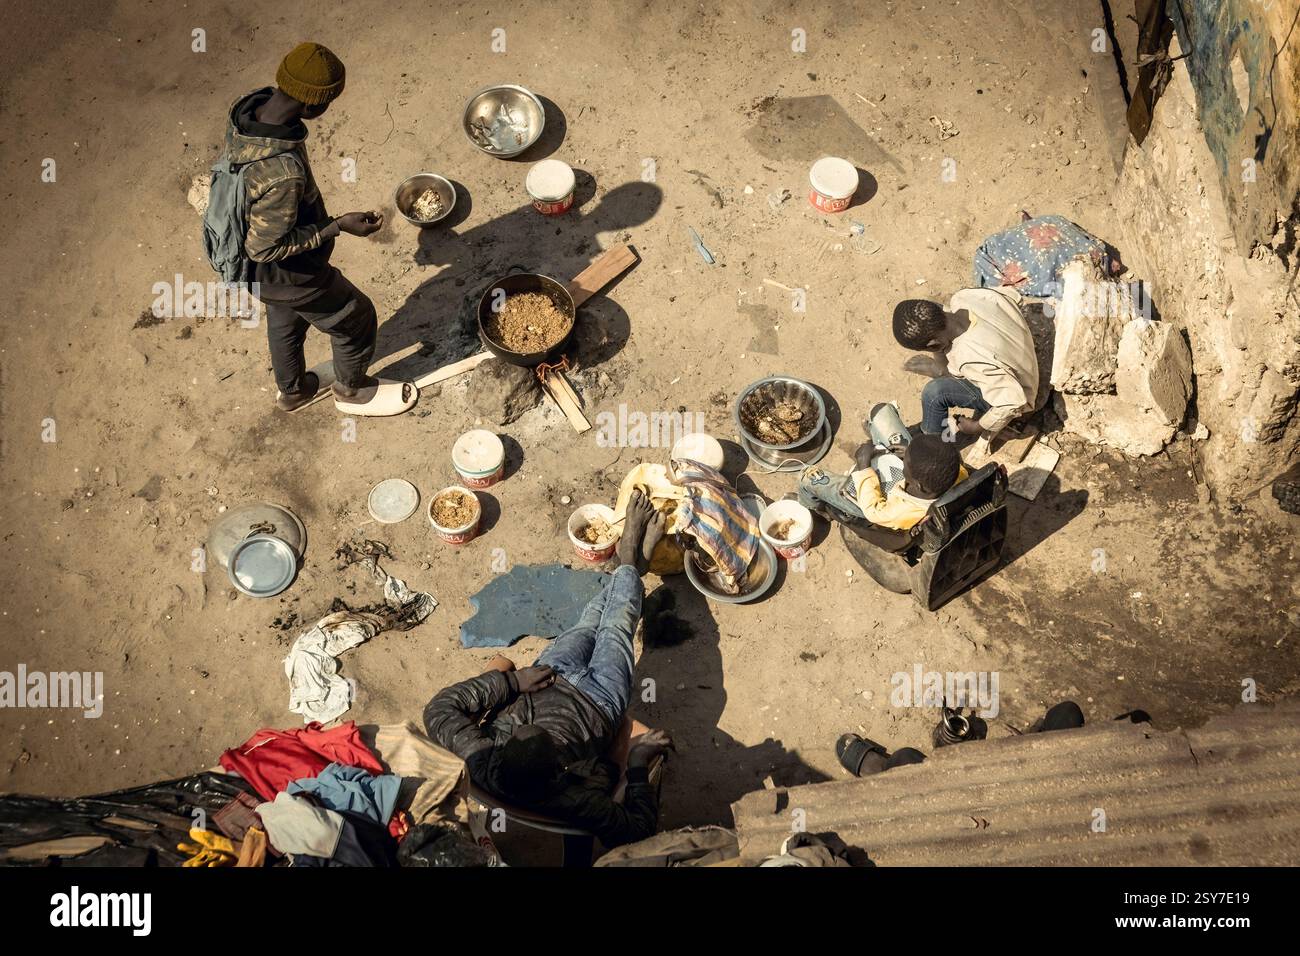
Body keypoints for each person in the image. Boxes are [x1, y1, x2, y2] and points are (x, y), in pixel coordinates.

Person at [423, 492, 672, 848]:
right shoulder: (573, 801)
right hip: (599, 701)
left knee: (589, 620)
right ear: (560, 771)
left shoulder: (482, 758)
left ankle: (631, 564)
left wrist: (511, 681)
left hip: (549, 674)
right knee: (617, 625)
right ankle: (630, 556)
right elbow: (637, 832)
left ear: (502, 748)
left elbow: (438, 710)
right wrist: (635, 767)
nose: (531, 725)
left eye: (520, 730)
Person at [223, 42, 413, 414]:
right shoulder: (282, 173)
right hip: (290, 272)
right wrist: (335, 226)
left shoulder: (247, 113)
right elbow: (264, 247)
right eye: (327, 103)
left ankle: (293, 392)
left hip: (261, 277)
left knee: (285, 319)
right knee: (355, 319)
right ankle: (352, 391)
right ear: (313, 106)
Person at [892, 286, 1039, 444]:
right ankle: (942, 375)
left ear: (934, 345)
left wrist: (977, 426)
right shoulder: (965, 297)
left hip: (1022, 388)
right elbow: (1013, 296)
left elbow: (1012, 402)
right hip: (1020, 351)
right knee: (945, 374)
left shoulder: (968, 358)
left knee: (934, 394)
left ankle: (931, 447)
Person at [798, 431, 965, 532]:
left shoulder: (900, 513)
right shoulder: (957, 473)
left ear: (918, 484)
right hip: (916, 490)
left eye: (905, 462)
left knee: (806, 476)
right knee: (883, 414)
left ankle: (816, 509)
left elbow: (873, 510)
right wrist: (910, 452)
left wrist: (863, 466)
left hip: (872, 503)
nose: (903, 459)